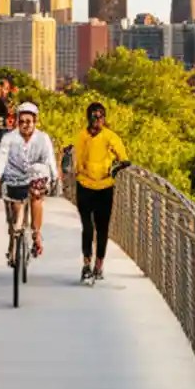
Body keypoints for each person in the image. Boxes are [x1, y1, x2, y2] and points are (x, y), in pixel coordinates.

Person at [0, 101, 58, 258]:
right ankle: (14, 238)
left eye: (29, 121)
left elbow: (50, 159)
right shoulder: (9, 138)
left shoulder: (43, 139)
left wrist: (54, 178)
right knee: (13, 216)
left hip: (36, 179)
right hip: (14, 179)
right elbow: (1, 159)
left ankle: (36, 234)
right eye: (22, 122)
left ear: (35, 122)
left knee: (36, 197)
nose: (25, 125)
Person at [73, 101, 128, 282]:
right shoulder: (82, 136)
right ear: (88, 117)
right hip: (84, 186)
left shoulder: (110, 136)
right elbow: (76, 158)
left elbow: (123, 157)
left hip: (104, 188)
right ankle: (86, 264)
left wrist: (117, 166)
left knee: (102, 228)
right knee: (87, 228)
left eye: (101, 116)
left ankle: (99, 265)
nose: (98, 120)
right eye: (94, 116)